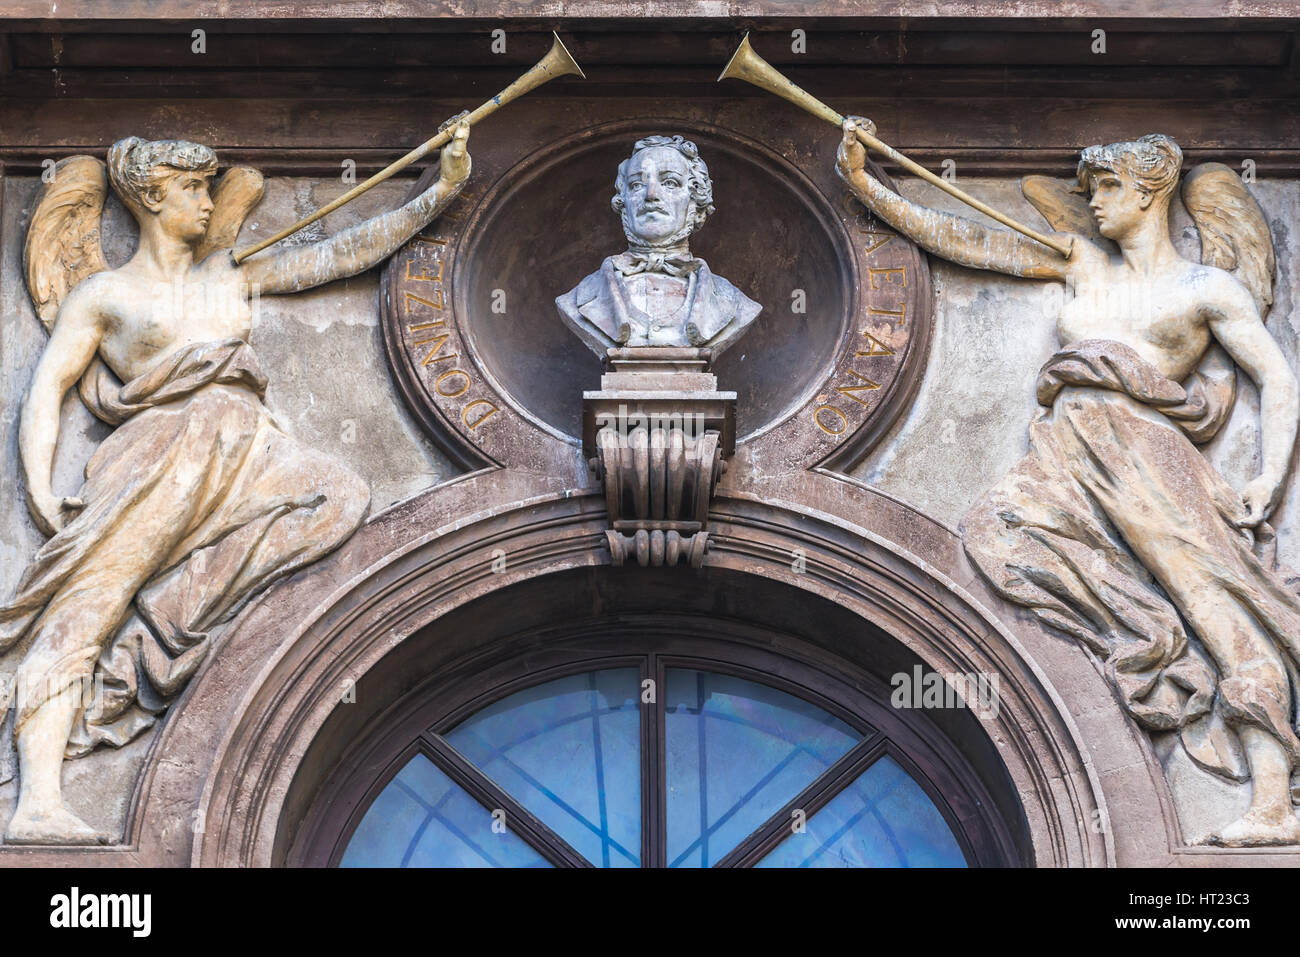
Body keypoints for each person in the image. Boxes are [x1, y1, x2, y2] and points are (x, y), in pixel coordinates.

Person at [0, 119, 472, 843]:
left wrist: (436, 191)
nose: (205, 200)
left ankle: (173, 611)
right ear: (153, 198)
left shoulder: (233, 273)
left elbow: (338, 252)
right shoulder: (105, 295)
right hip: (162, 456)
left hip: (248, 450)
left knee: (338, 494)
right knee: (83, 612)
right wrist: (36, 480)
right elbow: (47, 389)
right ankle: (37, 803)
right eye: (192, 188)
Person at [836, 120, 1300, 845]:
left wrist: (1269, 478)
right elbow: (975, 240)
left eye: (1106, 188)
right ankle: (1143, 636)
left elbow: (1275, 374)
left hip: (1146, 461)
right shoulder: (1083, 261)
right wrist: (871, 186)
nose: (1093, 203)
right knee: (999, 527)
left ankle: (1273, 799)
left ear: (1150, 192)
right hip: (1067, 457)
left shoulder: (1205, 289)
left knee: (1221, 608)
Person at [556, 134, 760, 359]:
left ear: (695, 200)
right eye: (636, 185)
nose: (651, 195)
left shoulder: (735, 304)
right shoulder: (578, 300)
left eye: (669, 183)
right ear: (623, 203)